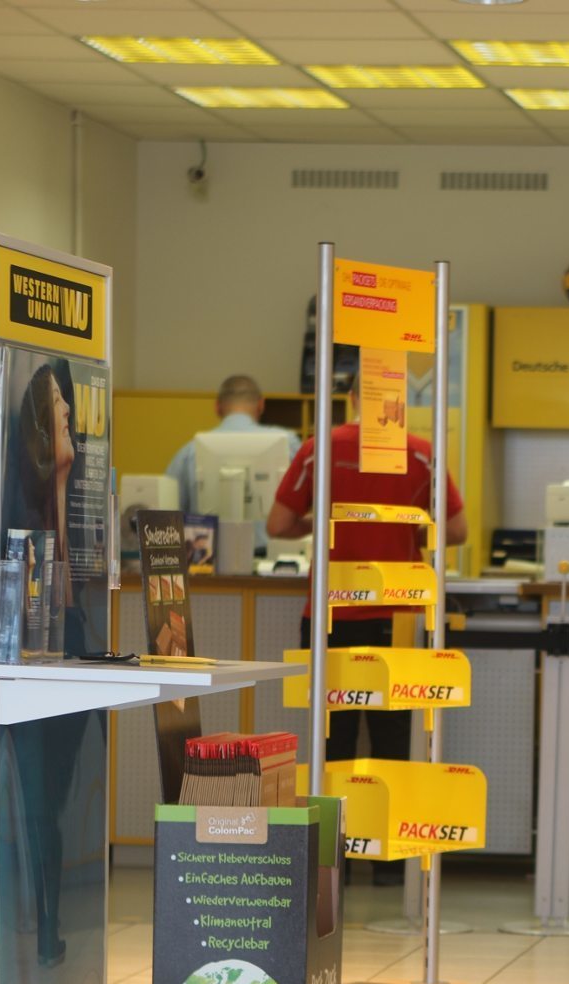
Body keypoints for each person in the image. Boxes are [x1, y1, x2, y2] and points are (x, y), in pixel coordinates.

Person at [267, 356, 467, 886]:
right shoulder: (424, 455)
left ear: (354, 398)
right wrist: (406, 533)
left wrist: (331, 522)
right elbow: (459, 531)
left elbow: (279, 523)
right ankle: (391, 868)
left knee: (328, 741)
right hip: (399, 617)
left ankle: (332, 863)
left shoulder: (319, 449)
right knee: (392, 740)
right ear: (400, 408)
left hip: (332, 613)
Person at [164, 374, 300, 553]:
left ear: (217, 407)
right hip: (275, 564)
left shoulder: (189, 452)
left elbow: (167, 516)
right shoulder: (289, 444)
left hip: (207, 563)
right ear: (261, 405)